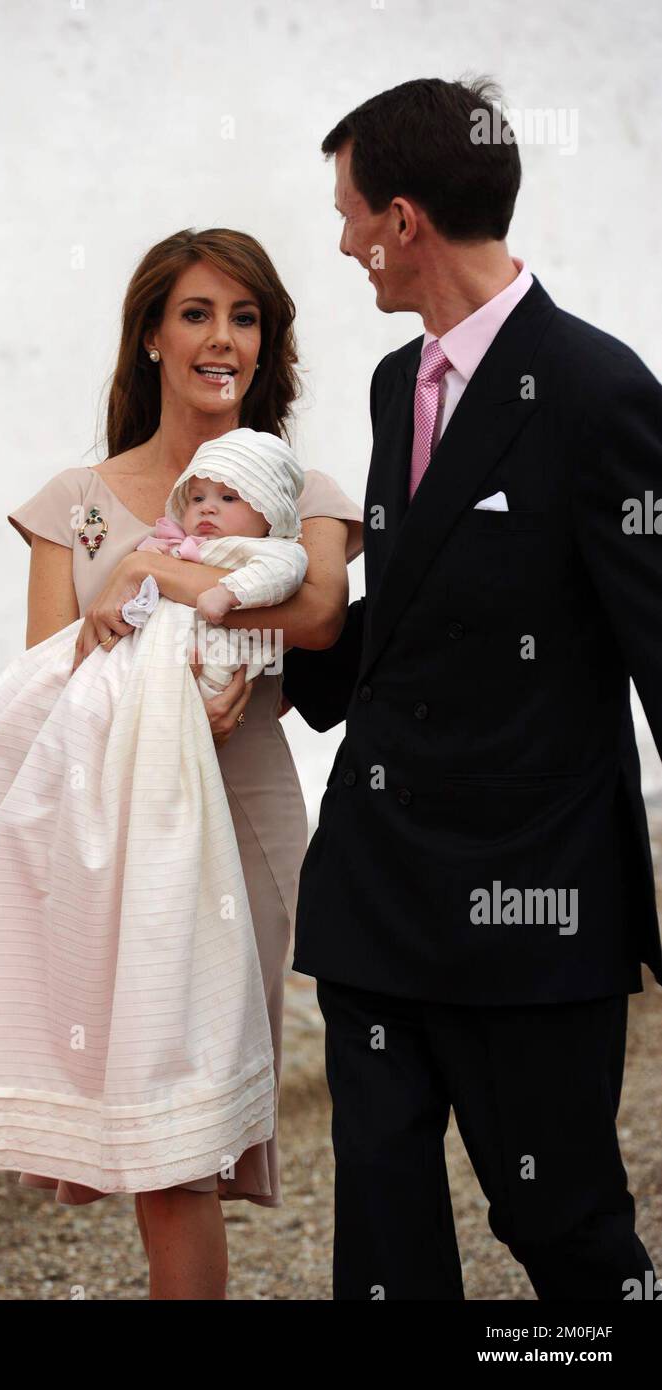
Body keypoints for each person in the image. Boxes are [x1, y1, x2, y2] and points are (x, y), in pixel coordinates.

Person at [0, 228, 364, 1300]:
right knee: (142, 1147)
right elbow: (43, 687)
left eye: (246, 317)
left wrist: (147, 565)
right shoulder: (72, 503)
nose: (224, 339)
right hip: (100, 838)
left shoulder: (294, 487)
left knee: (179, 1157)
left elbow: (313, 612)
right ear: (153, 338)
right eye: (199, 313)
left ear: (268, 343)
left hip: (236, 825)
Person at [280, 75, 662, 1300]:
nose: (341, 243)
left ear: (403, 219)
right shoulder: (403, 384)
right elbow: (422, 600)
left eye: (348, 214)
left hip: (531, 903)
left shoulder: (601, 391)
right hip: (380, 886)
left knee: (562, 1227)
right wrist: (275, 631)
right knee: (383, 1242)